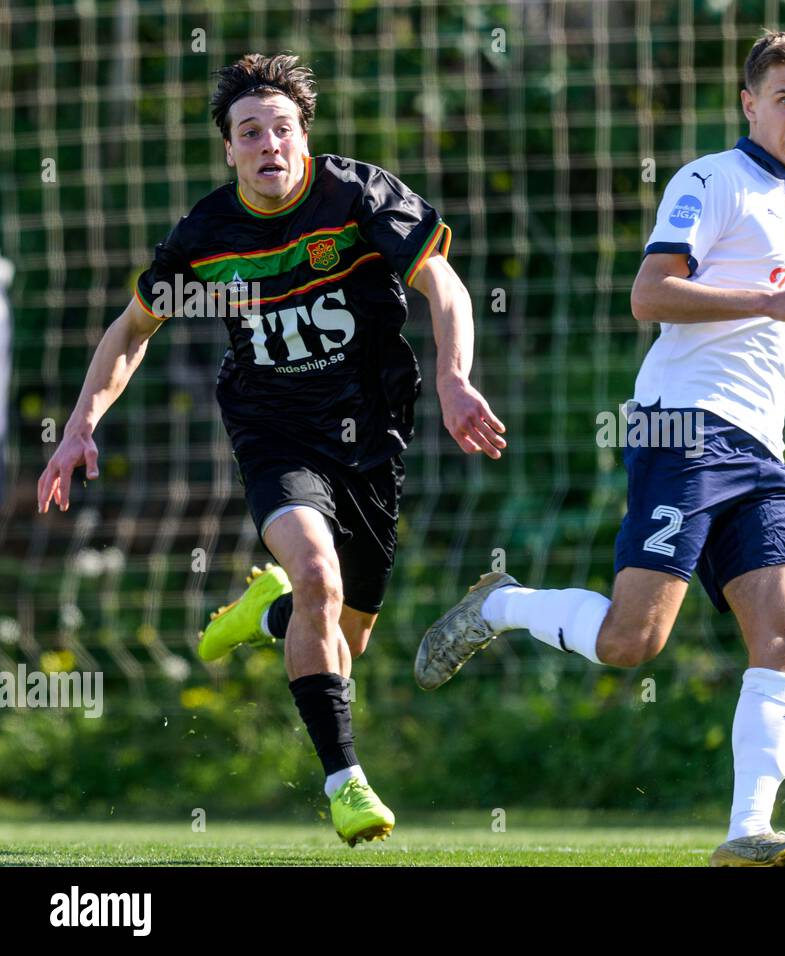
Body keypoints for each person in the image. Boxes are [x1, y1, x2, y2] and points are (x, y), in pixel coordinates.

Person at [416, 27, 785, 866]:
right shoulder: (712, 180)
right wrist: (765, 305)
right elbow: (651, 294)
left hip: (760, 454)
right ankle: (501, 604)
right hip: (683, 430)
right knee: (634, 643)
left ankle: (749, 834)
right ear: (750, 103)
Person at [36, 53, 506, 847]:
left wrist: (456, 378)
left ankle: (269, 610)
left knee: (342, 636)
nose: (269, 145)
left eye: (281, 128)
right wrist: (81, 422)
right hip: (273, 431)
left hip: (370, 434)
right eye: (249, 132)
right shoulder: (207, 235)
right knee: (318, 575)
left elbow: (444, 283)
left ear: (303, 135)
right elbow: (130, 331)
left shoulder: (357, 197)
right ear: (230, 150)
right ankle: (346, 783)